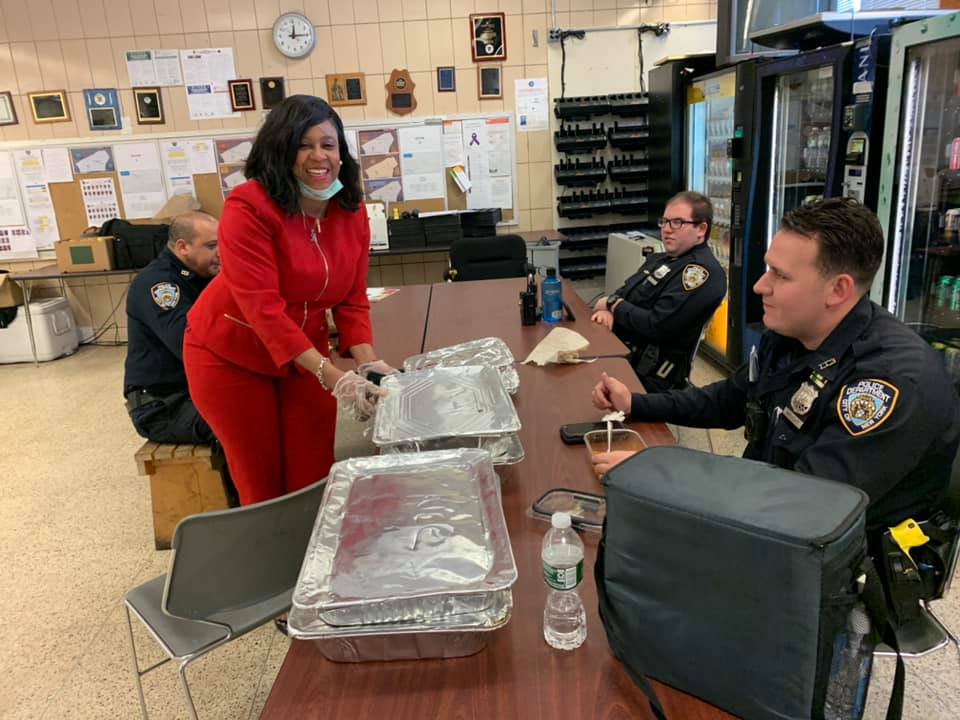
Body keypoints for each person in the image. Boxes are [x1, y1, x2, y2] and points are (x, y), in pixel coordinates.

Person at [592, 198, 960, 530]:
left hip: (834, 569)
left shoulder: (890, 382)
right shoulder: (791, 335)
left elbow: (804, 503)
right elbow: (728, 401)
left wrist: (660, 474)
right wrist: (636, 404)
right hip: (761, 517)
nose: (759, 286)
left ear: (839, 289)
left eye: (780, 275)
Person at [183, 95, 391, 506]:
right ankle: (273, 564)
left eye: (328, 145)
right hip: (231, 354)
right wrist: (334, 376)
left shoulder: (350, 211)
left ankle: (309, 558)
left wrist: (366, 363)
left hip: (302, 354)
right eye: (304, 144)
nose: (319, 156)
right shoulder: (249, 207)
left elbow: (351, 298)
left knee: (313, 474)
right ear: (281, 148)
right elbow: (263, 308)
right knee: (262, 483)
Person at [592, 191, 726, 391]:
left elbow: (657, 325)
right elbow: (624, 291)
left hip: (649, 375)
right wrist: (609, 307)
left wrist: (613, 305)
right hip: (623, 352)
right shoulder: (661, 259)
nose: (667, 230)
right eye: (665, 221)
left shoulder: (700, 273)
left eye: (678, 222)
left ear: (701, 229)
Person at [123, 211, 220, 445]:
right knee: (241, 424)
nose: (221, 253)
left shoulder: (200, 273)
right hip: (163, 405)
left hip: (193, 391)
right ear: (183, 247)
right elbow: (190, 345)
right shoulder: (160, 284)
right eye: (211, 246)